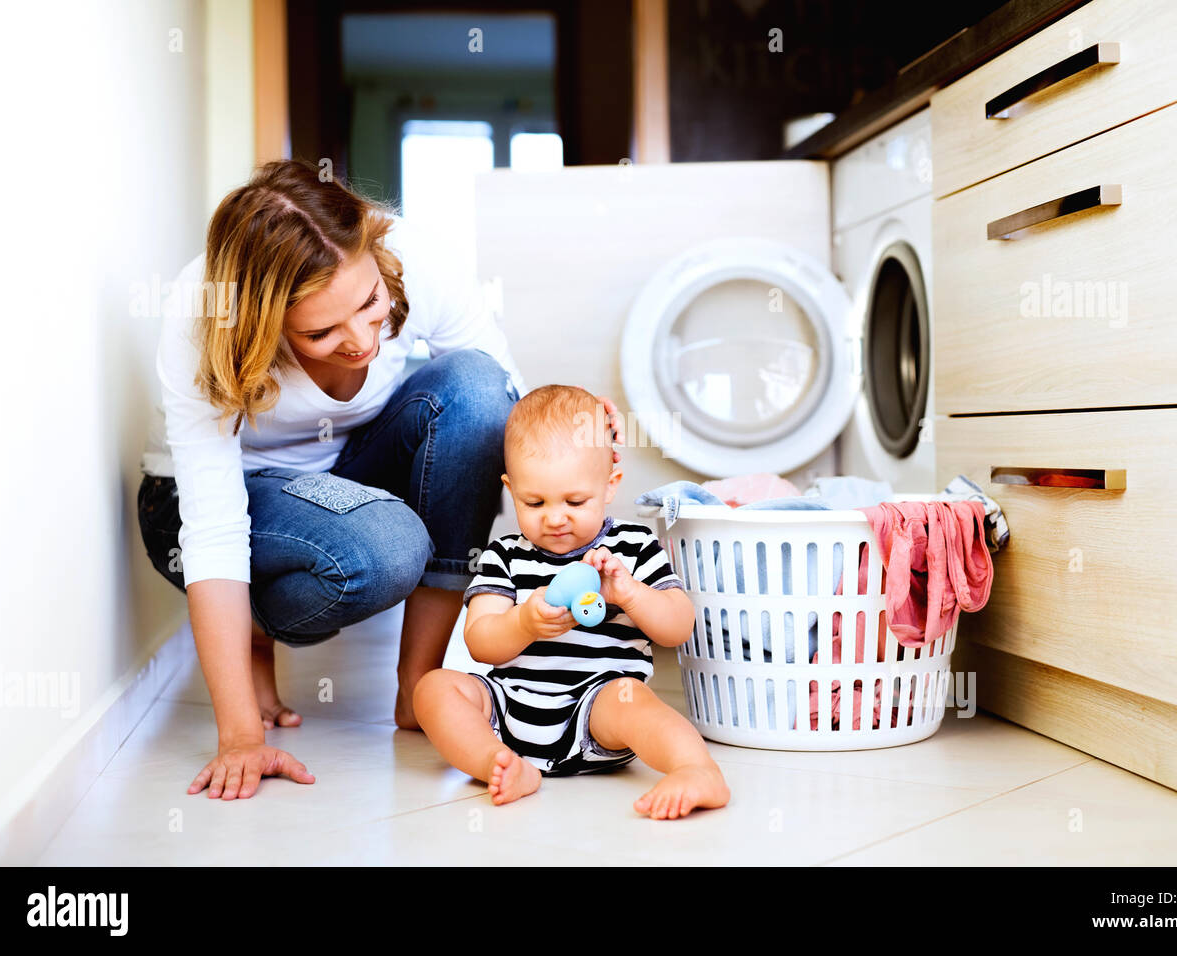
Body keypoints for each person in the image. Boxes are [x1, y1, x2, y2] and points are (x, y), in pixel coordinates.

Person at [137, 158, 621, 801]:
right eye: (320, 330)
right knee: (389, 548)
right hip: (213, 501)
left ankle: (417, 687)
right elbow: (215, 526)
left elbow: (506, 405)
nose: (362, 338)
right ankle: (254, 631)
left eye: (370, 304)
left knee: (476, 391)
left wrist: (577, 429)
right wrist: (239, 737)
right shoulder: (206, 314)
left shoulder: (414, 256)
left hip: (347, 469)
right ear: (263, 320)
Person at [413, 385, 731, 820]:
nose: (555, 516)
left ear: (609, 486)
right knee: (434, 688)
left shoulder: (633, 548)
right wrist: (523, 623)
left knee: (630, 697)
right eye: (534, 501)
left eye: (575, 501)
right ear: (511, 489)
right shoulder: (504, 555)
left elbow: (678, 627)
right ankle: (498, 764)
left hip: (597, 713)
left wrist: (630, 595)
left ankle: (697, 769)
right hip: (509, 713)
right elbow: (480, 643)